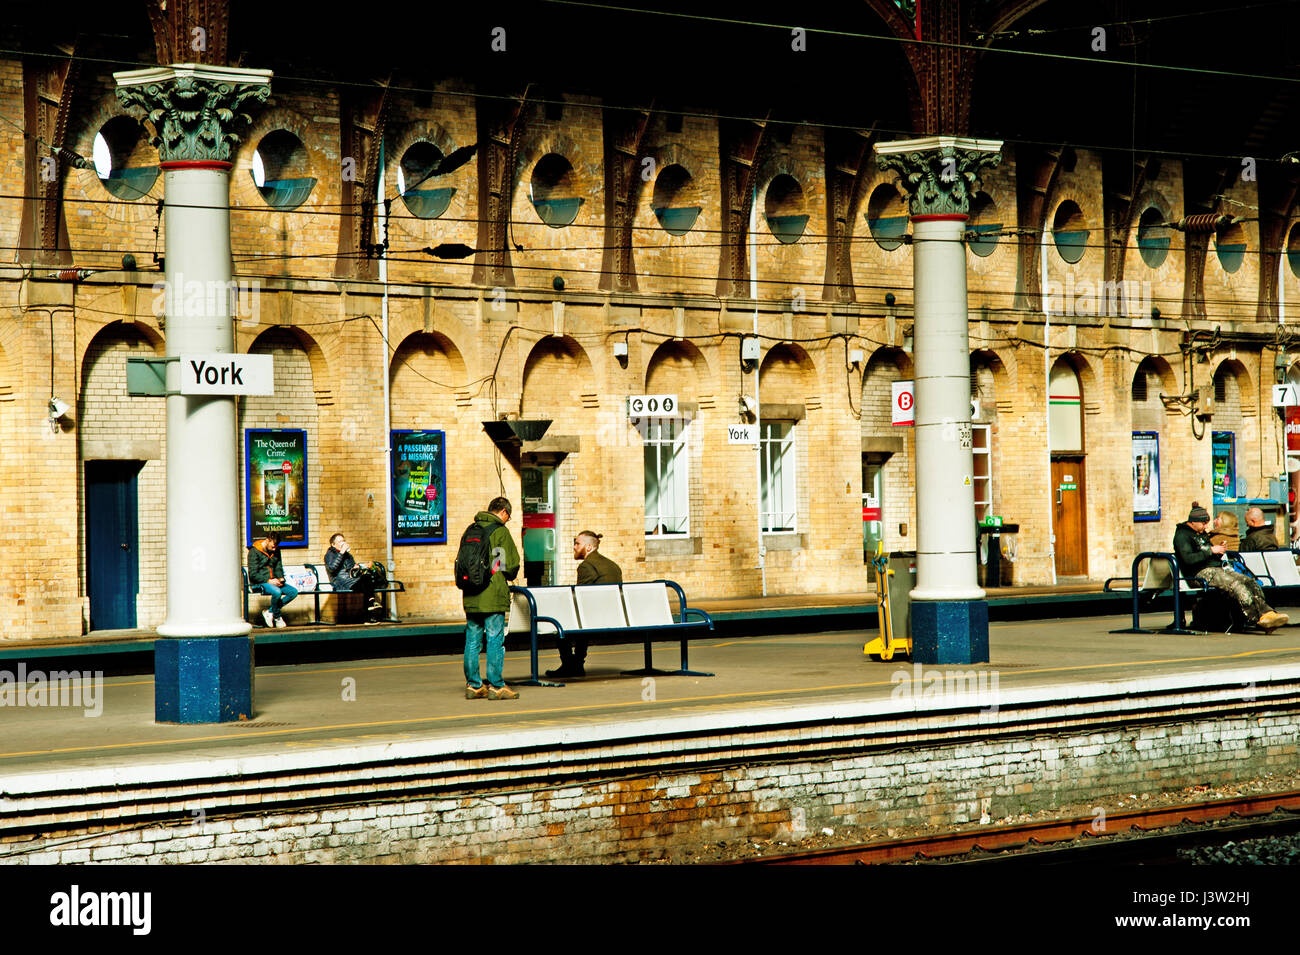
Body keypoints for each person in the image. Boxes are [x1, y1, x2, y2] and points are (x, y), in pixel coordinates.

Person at [1174, 503, 1288, 632]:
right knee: (1235, 585)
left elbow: (1208, 555)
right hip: (1198, 573)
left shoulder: (1201, 533)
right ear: (1193, 522)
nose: (1206, 527)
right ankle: (1257, 619)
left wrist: (1219, 552)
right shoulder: (1182, 536)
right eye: (1203, 524)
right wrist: (1211, 551)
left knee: (1249, 581)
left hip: (1215, 568)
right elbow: (1188, 559)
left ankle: (1268, 613)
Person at [463, 497, 521, 700]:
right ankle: (497, 686)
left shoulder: (471, 529)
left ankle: (473, 685)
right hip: (492, 593)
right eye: (508, 516)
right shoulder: (499, 531)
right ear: (504, 512)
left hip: (471, 593)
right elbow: (508, 565)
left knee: (472, 639)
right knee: (495, 638)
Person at [546, 530, 623, 678]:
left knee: (560, 621)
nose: (574, 547)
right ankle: (576, 664)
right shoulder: (612, 565)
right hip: (614, 616)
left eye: (577, 544)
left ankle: (570, 665)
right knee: (580, 618)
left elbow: (580, 597)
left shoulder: (586, 566)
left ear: (588, 547)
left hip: (596, 618)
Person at [323, 533, 384, 623]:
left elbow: (352, 569)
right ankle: (369, 615)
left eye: (343, 541)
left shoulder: (348, 555)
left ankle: (371, 605)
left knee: (367, 578)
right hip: (340, 583)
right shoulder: (330, 554)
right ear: (333, 544)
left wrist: (356, 568)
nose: (342, 543)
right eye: (339, 541)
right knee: (366, 585)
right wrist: (341, 553)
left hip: (352, 580)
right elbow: (332, 568)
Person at [248, 532, 298, 628]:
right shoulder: (254, 552)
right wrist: (268, 580)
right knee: (277, 592)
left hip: (274, 581)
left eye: (276, 547)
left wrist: (280, 578)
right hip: (259, 583)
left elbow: (278, 567)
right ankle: (277, 616)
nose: (274, 549)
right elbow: (253, 574)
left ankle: (270, 611)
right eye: (273, 546)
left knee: (293, 592)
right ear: (267, 541)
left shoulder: (276, 550)